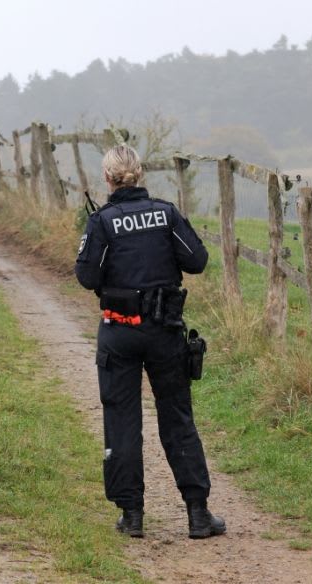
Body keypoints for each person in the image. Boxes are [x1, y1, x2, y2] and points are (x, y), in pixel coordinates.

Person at [75, 144, 225, 539]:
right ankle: (198, 514)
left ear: (107, 179)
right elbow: (197, 260)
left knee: (122, 421)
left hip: (119, 331)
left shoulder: (102, 222)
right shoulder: (166, 214)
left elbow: (87, 277)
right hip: (165, 330)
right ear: (139, 174)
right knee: (177, 418)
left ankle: (132, 515)